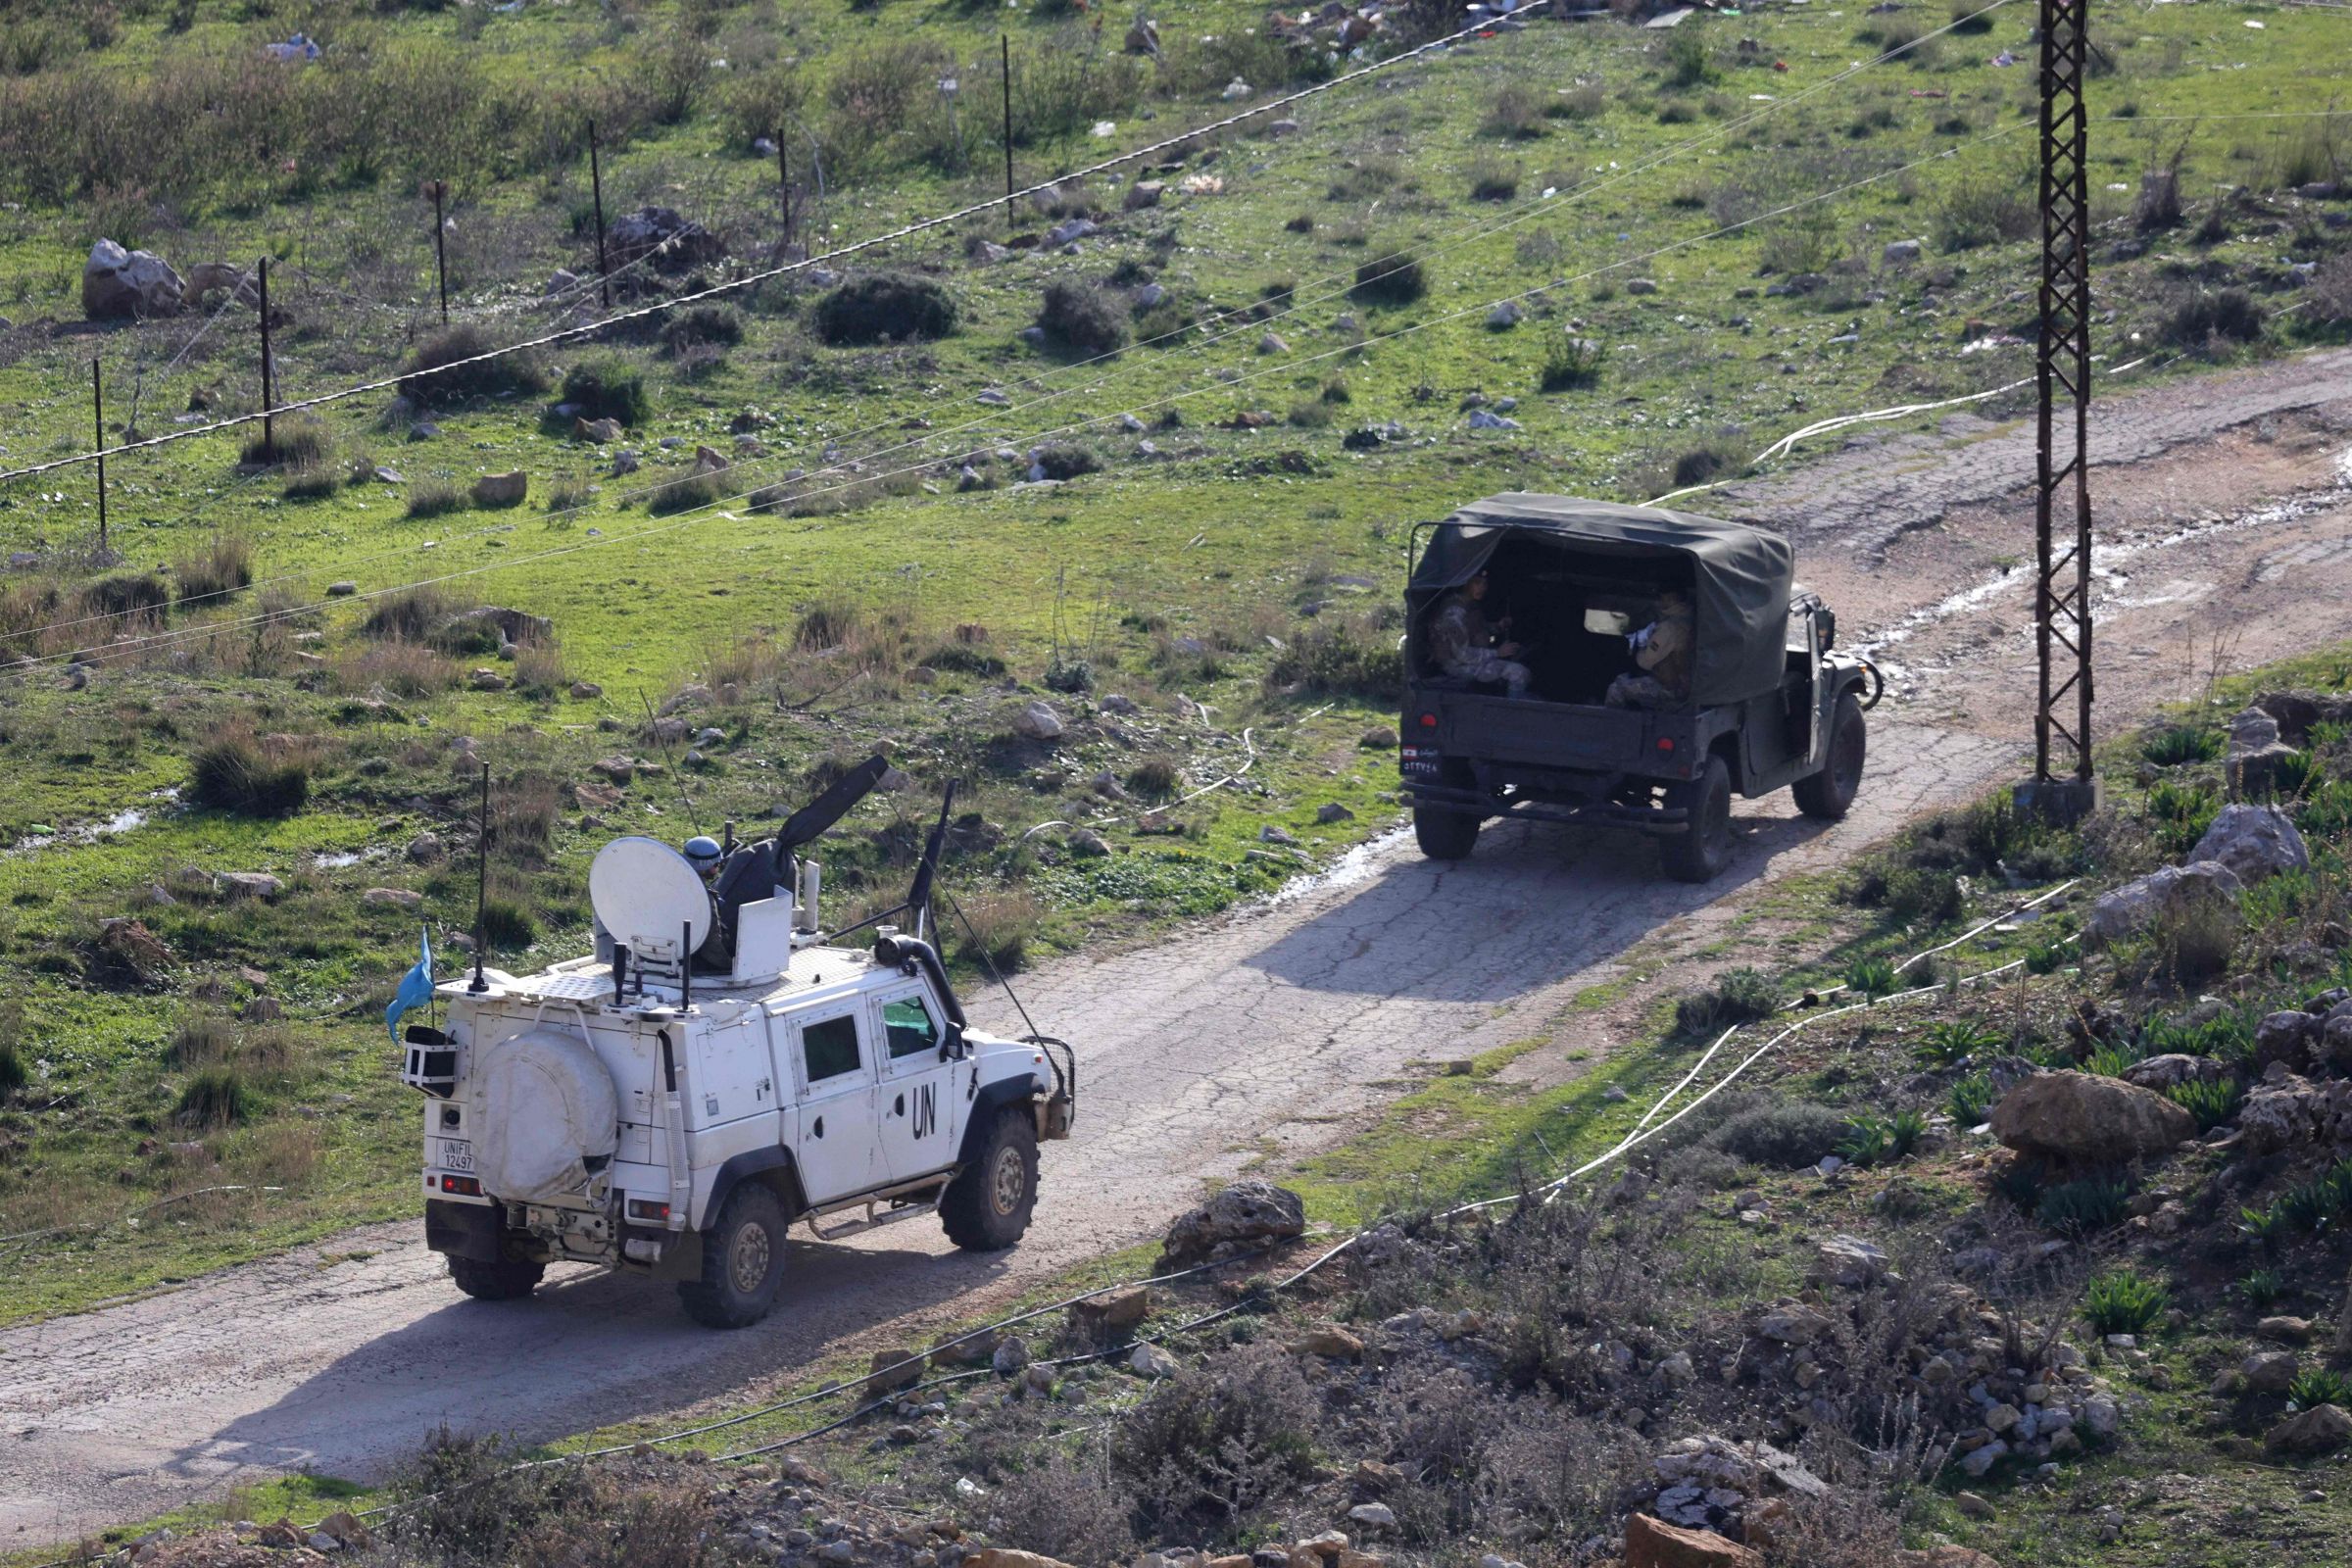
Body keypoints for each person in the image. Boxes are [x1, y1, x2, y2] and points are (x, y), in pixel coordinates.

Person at [1428, 569, 1532, 697]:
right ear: (1466, 584)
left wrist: (1498, 626)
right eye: (1477, 583)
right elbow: (1462, 654)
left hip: (1473, 659)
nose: (1482, 588)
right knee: (1519, 673)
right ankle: (1513, 710)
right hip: (1458, 666)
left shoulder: (1470, 606)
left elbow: (1478, 629)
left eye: (1484, 584)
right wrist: (1497, 653)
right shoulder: (1454, 613)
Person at [1606, 588, 1694, 710]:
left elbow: (1646, 661)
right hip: (1686, 686)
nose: (1660, 601)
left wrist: (1640, 653)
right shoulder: (1688, 620)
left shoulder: (1669, 627)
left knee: (1616, 689)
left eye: (1662, 598)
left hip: (1670, 689)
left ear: (1671, 598)